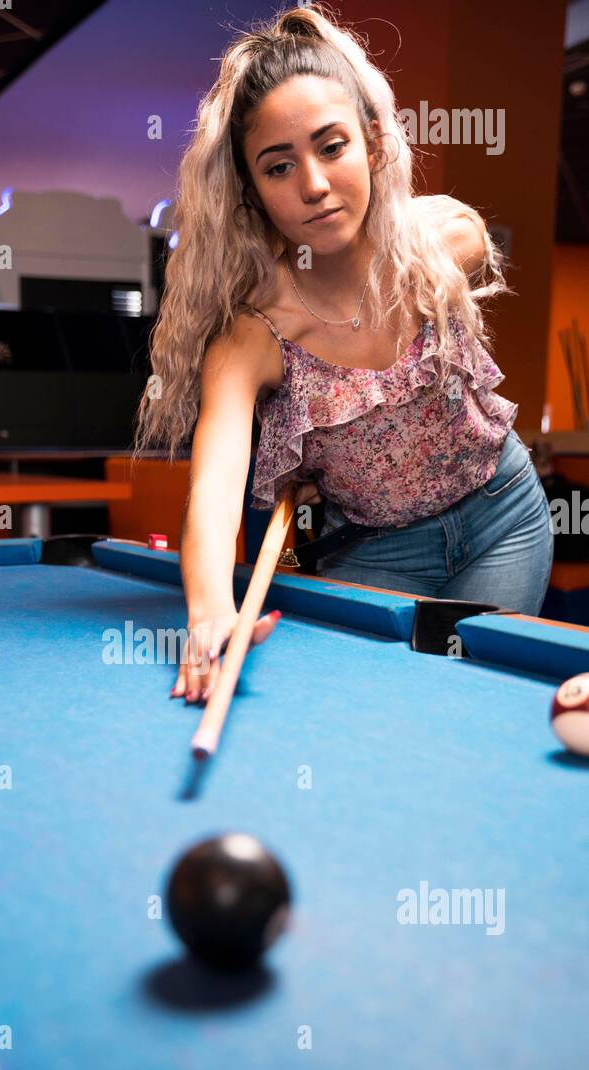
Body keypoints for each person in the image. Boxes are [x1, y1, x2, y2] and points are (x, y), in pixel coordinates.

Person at [132, 4, 553, 705]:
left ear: (376, 144)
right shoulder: (251, 337)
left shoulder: (428, 247)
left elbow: (469, 232)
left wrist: (420, 247)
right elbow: (211, 495)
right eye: (277, 166)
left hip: (505, 516)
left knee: (478, 706)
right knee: (366, 714)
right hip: (381, 551)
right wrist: (209, 617)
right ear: (250, 193)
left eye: (332, 146)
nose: (314, 185)